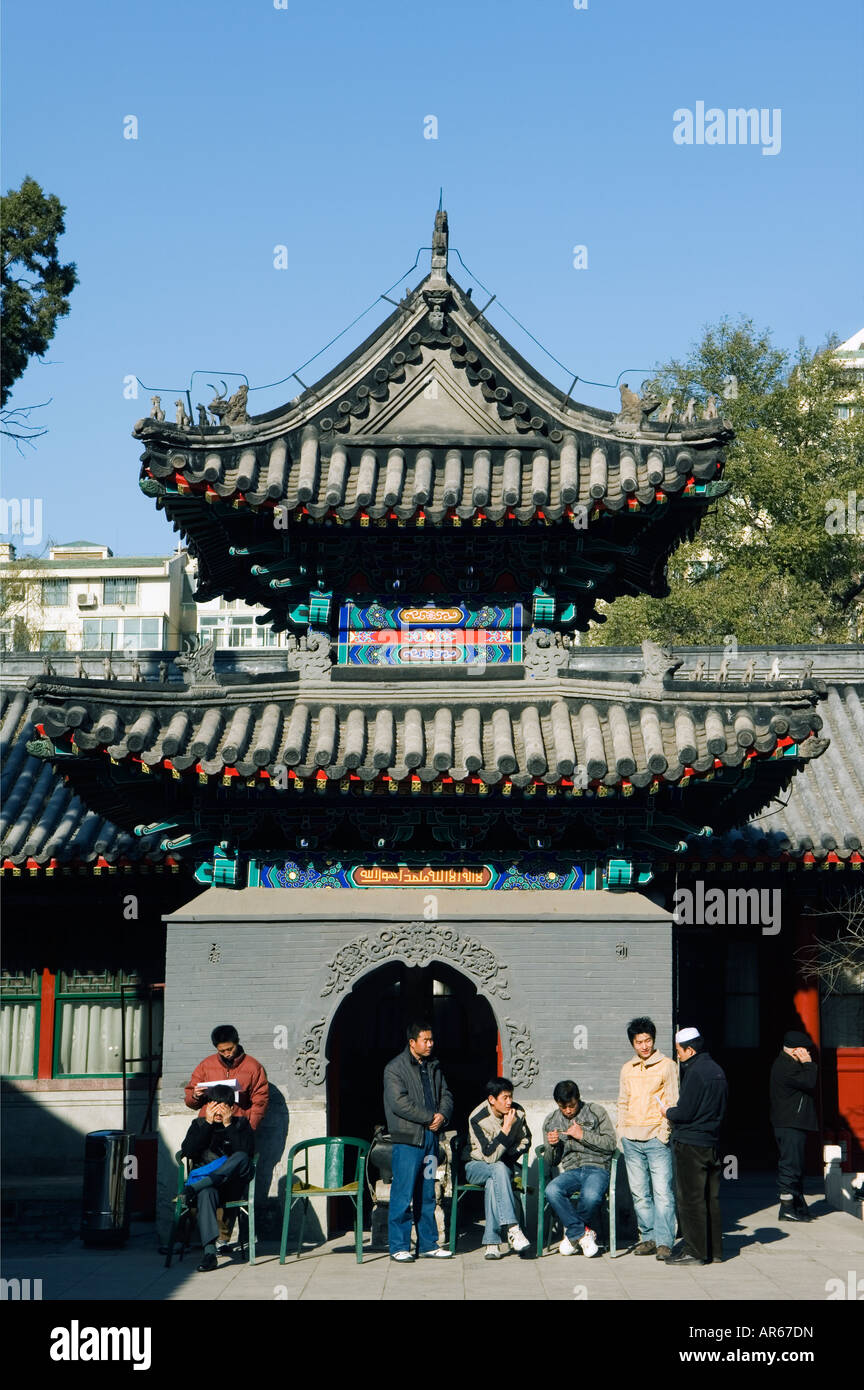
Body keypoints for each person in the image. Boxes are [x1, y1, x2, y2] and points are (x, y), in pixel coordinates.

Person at [383, 1019, 454, 1262]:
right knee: (403, 1193)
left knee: (428, 1192)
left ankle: (428, 1244)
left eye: (432, 1039)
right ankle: (399, 1246)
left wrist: (442, 1116)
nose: (430, 1044)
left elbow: (446, 1094)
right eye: (426, 1040)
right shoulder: (395, 1068)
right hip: (408, 1142)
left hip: (431, 1141)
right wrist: (428, 1118)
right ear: (412, 1042)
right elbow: (399, 1103)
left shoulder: (434, 1066)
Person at [658, 1026, 727, 1266]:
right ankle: (714, 1250)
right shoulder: (717, 1070)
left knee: (690, 1199)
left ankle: (695, 1251)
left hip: (691, 1144)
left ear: (689, 1049)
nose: (678, 1056)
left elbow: (684, 1112)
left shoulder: (695, 1072)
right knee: (711, 1198)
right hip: (711, 1142)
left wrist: (667, 1111)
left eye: (679, 1051)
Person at [617, 1016, 679, 1260]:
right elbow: (623, 1101)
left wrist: (663, 1133)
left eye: (648, 1040)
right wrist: (622, 1131)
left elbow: (673, 1101)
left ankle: (665, 1241)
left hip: (656, 1138)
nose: (644, 1045)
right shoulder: (627, 1068)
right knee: (640, 1193)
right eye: (639, 1041)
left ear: (654, 1040)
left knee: (663, 1192)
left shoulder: (667, 1065)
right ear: (632, 1043)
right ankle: (648, 1237)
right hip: (631, 1139)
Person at [180, 1084, 254, 1272]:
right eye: (215, 1105)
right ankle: (210, 1254)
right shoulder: (198, 1125)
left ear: (231, 1107)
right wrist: (208, 1125)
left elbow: (246, 1154)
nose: (219, 1110)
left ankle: (194, 1188)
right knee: (206, 1192)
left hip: (232, 1186)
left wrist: (229, 1126)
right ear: (207, 1106)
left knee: (241, 1156)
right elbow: (188, 1151)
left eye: (224, 1105)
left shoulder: (241, 1124)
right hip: (210, 1187)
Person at [542, 1079, 617, 1257]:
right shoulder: (551, 1120)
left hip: (597, 1167)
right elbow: (551, 1161)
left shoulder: (596, 1111)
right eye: (563, 1107)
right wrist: (552, 1146)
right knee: (552, 1190)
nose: (568, 1110)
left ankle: (572, 1236)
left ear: (578, 1098)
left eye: (572, 1105)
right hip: (571, 1171)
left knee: (591, 1196)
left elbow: (611, 1144)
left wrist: (583, 1135)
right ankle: (583, 1234)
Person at [464, 1078, 532, 1259]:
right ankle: (512, 1228)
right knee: (497, 1168)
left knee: (494, 1180)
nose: (509, 1102)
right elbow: (490, 1156)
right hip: (476, 1166)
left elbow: (525, 1141)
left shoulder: (518, 1112)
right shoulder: (477, 1118)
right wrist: (506, 1127)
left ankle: (492, 1242)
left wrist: (510, 1154)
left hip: (500, 1169)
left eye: (511, 1097)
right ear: (492, 1099)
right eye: (505, 1098)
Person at [770, 1030, 818, 1223]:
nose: (808, 1054)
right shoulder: (786, 1066)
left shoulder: (788, 1064)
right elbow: (810, 1082)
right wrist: (808, 1064)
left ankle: (798, 1206)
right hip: (790, 1123)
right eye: (805, 1050)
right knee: (790, 1165)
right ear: (796, 1050)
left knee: (796, 1164)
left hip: (791, 1122)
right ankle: (787, 1208)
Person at [184, 1024, 269, 1131]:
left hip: (238, 1123)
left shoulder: (253, 1067)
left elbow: (260, 1101)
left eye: (230, 1049)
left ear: (237, 1042)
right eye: (222, 1051)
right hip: (209, 1124)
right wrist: (195, 1096)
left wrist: (251, 1126)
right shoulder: (205, 1065)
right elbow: (190, 1101)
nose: (227, 1054)